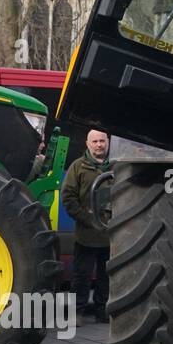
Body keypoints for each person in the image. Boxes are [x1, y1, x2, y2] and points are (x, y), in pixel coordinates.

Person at [62, 129, 111, 320]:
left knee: (106, 276)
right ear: (87, 143)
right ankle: (77, 312)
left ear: (107, 142)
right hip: (86, 235)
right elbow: (68, 197)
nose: (99, 145)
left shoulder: (116, 167)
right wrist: (86, 218)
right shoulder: (78, 167)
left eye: (102, 141)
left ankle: (102, 311)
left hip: (110, 235)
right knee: (81, 276)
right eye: (95, 141)